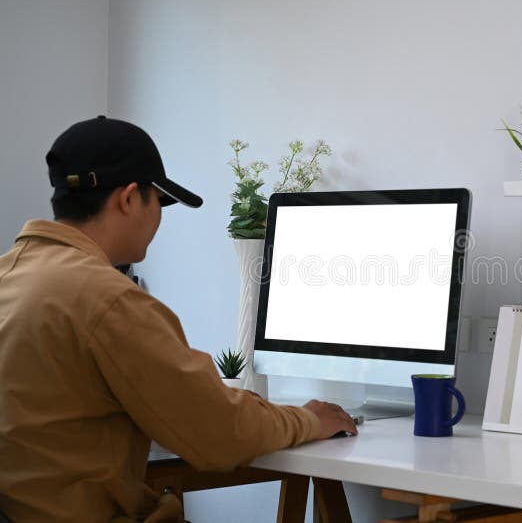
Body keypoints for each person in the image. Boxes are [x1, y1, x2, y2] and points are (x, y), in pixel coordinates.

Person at [0, 116, 357, 522]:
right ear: (129, 199)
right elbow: (219, 433)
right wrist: (308, 419)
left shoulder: (10, 277)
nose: (159, 219)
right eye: (160, 202)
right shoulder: (107, 299)